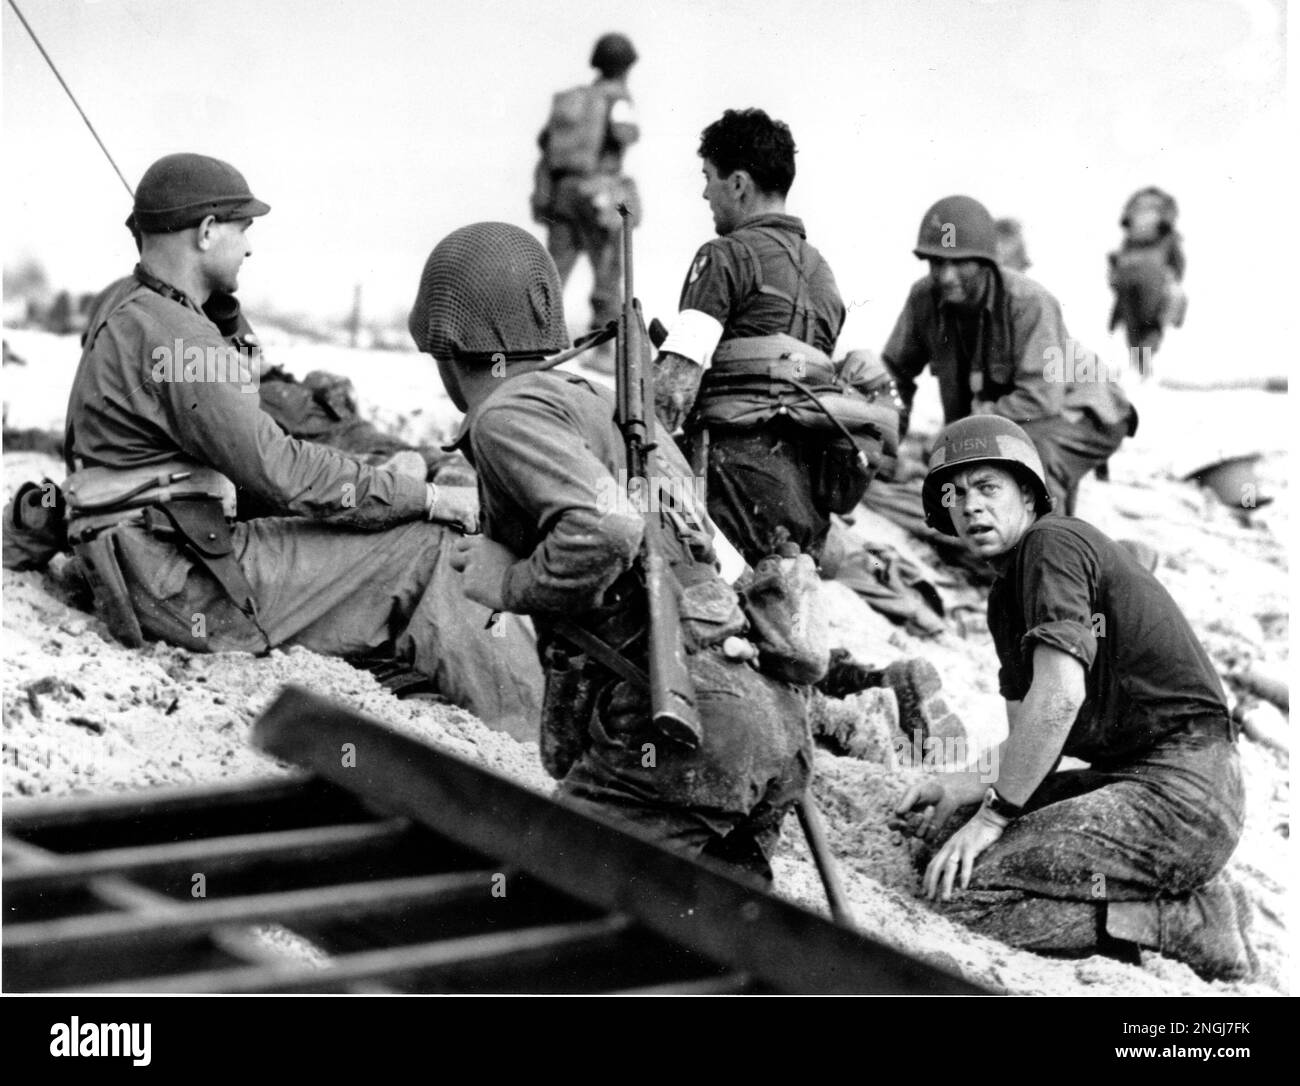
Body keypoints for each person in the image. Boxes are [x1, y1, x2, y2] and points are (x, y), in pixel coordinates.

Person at [62, 152, 540, 733]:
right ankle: (527, 742)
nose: (250, 248)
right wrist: (427, 498)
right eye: (243, 230)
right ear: (207, 231)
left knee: (375, 522)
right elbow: (282, 471)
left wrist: (219, 320)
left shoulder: (125, 304)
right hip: (179, 587)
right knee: (433, 548)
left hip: (135, 558)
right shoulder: (182, 338)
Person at [410, 220, 818, 885]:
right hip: (762, 722)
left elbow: (607, 528)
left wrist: (509, 580)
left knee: (544, 911)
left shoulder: (507, 414)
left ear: (444, 342)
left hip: (681, 729)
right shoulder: (609, 411)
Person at [893, 415, 1251, 980]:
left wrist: (993, 818)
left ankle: (1186, 916)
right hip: (1136, 784)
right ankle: (1156, 886)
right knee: (940, 844)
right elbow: (1030, 739)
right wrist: (959, 786)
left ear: (1030, 494)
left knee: (965, 893)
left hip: (1186, 794)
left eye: (988, 488)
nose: (971, 507)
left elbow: (1060, 698)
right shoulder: (1006, 594)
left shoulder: (1051, 543)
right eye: (956, 495)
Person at [652, 107, 880, 569]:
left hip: (728, 493)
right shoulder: (823, 276)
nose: (704, 192)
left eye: (708, 177)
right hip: (806, 510)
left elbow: (672, 392)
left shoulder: (724, 257)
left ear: (738, 184)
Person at [882, 195, 1137, 515]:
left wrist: (963, 430)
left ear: (987, 263)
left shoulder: (1028, 302)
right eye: (936, 262)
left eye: (959, 262)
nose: (946, 276)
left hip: (1086, 409)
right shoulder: (924, 299)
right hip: (1020, 411)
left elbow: (1041, 399)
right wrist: (885, 438)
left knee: (1031, 458)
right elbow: (895, 373)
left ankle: (1051, 554)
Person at [531, 32, 641, 373]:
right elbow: (627, 135)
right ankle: (603, 352)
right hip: (599, 192)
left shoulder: (575, 101)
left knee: (552, 274)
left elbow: (545, 143)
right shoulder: (616, 97)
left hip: (564, 193)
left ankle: (529, 349)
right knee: (609, 271)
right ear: (625, 66)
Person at [1107, 185, 1187, 370]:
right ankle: (1143, 367)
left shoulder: (1129, 240)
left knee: (1132, 325)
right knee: (1155, 324)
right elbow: (1179, 265)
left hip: (1126, 277)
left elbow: (1116, 266)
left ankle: (1138, 366)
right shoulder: (1169, 237)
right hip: (1154, 279)